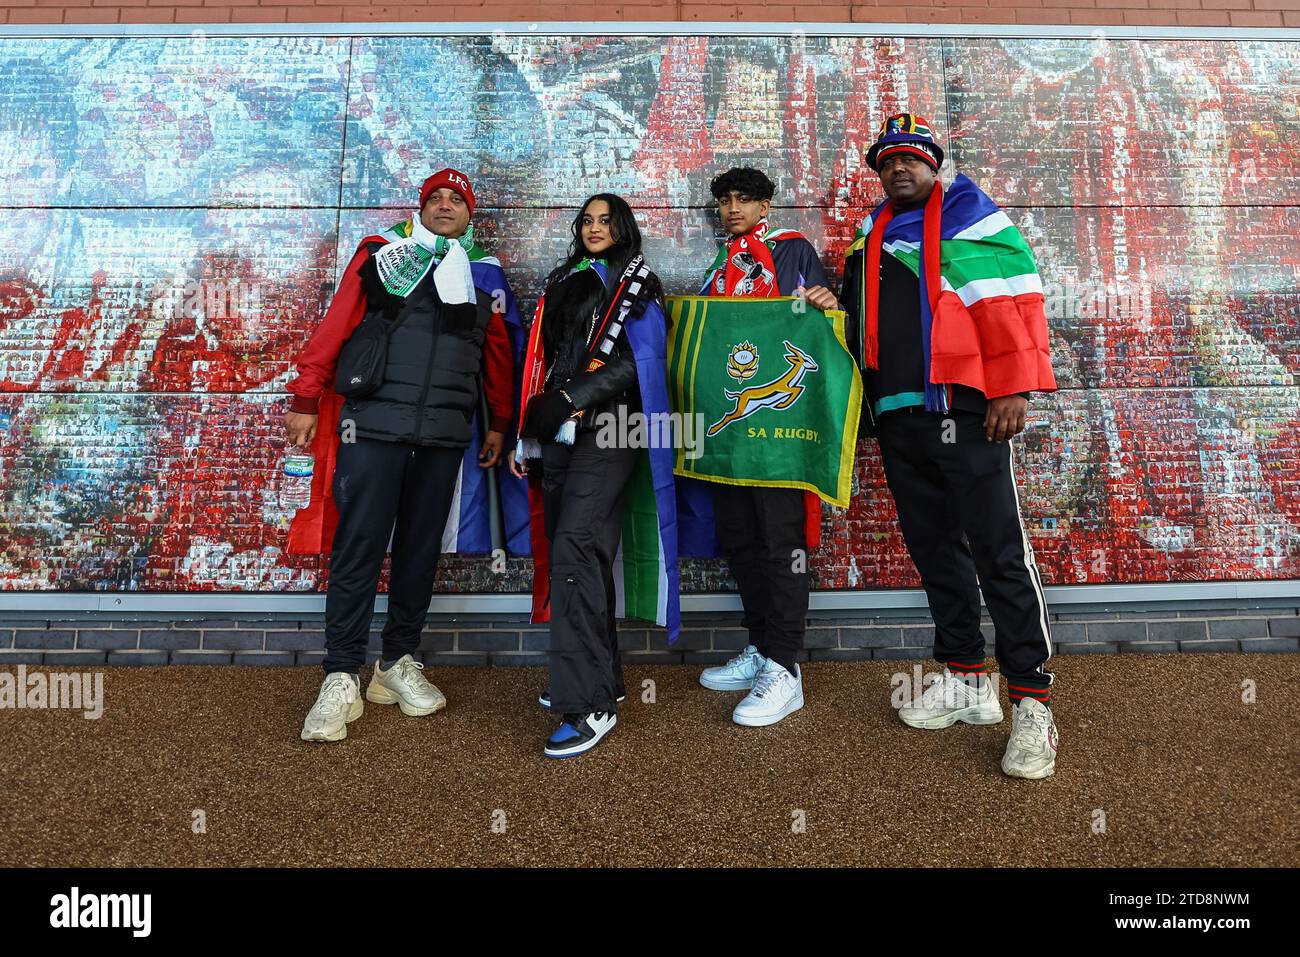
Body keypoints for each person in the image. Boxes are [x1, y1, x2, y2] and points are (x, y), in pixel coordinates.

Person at [840, 114, 1060, 778]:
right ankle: (966, 679)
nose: (898, 168)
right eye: (887, 161)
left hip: (967, 412)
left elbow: (1015, 300)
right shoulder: (869, 236)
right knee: (936, 553)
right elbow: (858, 318)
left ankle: (1031, 702)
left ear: (935, 164)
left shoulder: (974, 216)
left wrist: (1013, 386)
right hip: (901, 415)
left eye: (911, 158)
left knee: (999, 553)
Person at [284, 168, 519, 743]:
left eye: (456, 200)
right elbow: (336, 325)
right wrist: (306, 396)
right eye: (434, 198)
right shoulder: (382, 255)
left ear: (469, 215)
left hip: (442, 435)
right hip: (375, 428)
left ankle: (396, 663)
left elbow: (496, 354)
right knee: (359, 547)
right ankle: (340, 675)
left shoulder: (481, 274)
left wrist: (501, 423)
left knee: (418, 551)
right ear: (419, 208)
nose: (445, 206)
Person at [511, 193, 680, 758]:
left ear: (624, 227)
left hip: (613, 429)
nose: (594, 227)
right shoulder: (566, 278)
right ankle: (600, 682)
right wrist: (530, 427)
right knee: (578, 556)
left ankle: (587, 706)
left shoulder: (638, 283)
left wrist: (569, 397)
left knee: (576, 550)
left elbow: (643, 362)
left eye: (606, 220)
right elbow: (545, 357)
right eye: (587, 220)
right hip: (559, 433)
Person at [693, 166, 839, 727]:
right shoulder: (720, 263)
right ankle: (760, 647)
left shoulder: (791, 250)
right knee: (741, 539)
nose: (732, 209)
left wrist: (823, 304)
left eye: (744, 200)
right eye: (724, 201)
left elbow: (815, 324)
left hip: (778, 430)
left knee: (781, 541)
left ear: (765, 205)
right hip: (731, 433)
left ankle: (786, 666)